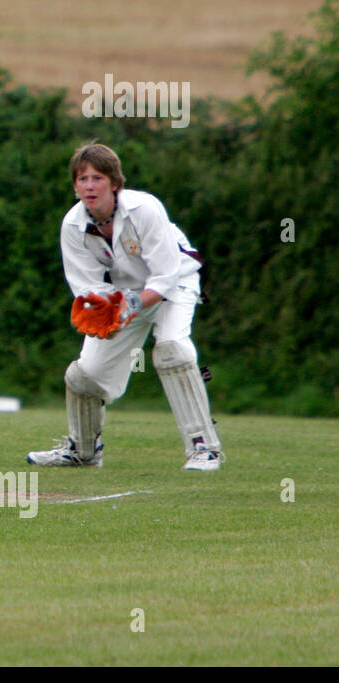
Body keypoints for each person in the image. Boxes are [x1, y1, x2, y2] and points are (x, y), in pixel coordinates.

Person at [28, 142, 223, 471]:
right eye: (82, 179)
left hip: (174, 284)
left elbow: (164, 275)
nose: (89, 186)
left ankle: (204, 447)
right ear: (75, 186)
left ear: (115, 183)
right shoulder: (73, 225)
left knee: (172, 349)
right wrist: (106, 311)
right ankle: (83, 452)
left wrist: (132, 303)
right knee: (83, 376)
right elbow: (86, 286)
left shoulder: (145, 209)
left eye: (98, 178)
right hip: (124, 296)